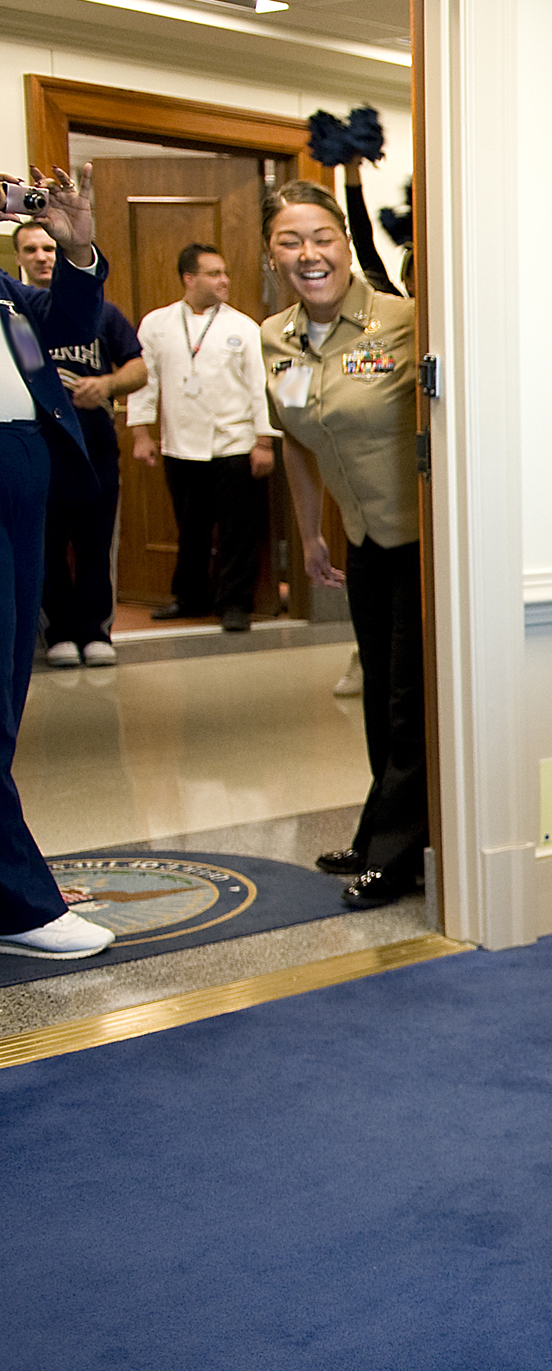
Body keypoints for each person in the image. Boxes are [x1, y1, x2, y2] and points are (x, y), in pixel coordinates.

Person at [259, 179, 423, 909]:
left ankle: (395, 854)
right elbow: (292, 439)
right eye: (290, 241)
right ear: (272, 255)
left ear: (345, 245)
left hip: (421, 541)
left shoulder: (407, 321)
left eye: (321, 237)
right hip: (361, 538)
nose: (308, 253)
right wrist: (310, 534)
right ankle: (376, 828)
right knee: (376, 694)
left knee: (405, 697)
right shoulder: (274, 337)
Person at [0, 168, 115, 959]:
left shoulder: (10, 291)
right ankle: (19, 898)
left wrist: (75, 251)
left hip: (21, 478)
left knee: (7, 692)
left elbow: (72, 323)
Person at [12, 219, 143, 667]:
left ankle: (95, 631)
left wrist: (105, 385)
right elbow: (28, 373)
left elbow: (139, 369)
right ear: (20, 260)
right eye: (32, 250)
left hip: (96, 451)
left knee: (95, 546)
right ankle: (61, 632)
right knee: (47, 545)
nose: (43, 256)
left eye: (50, 248)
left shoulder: (101, 313)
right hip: (42, 451)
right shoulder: (20, 317)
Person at [128, 244, 275, 634]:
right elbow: (145, 382)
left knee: (237, 530)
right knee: (190, 527)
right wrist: (141, 433)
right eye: (214, 274)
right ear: (189, 279)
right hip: (180, 445)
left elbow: (261, 387)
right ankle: (189, 597)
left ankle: (235, 602)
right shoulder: (156, 324)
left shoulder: (244, 327)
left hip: (234, 443)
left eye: (225, 272)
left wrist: (264, 442)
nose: (224, 280)